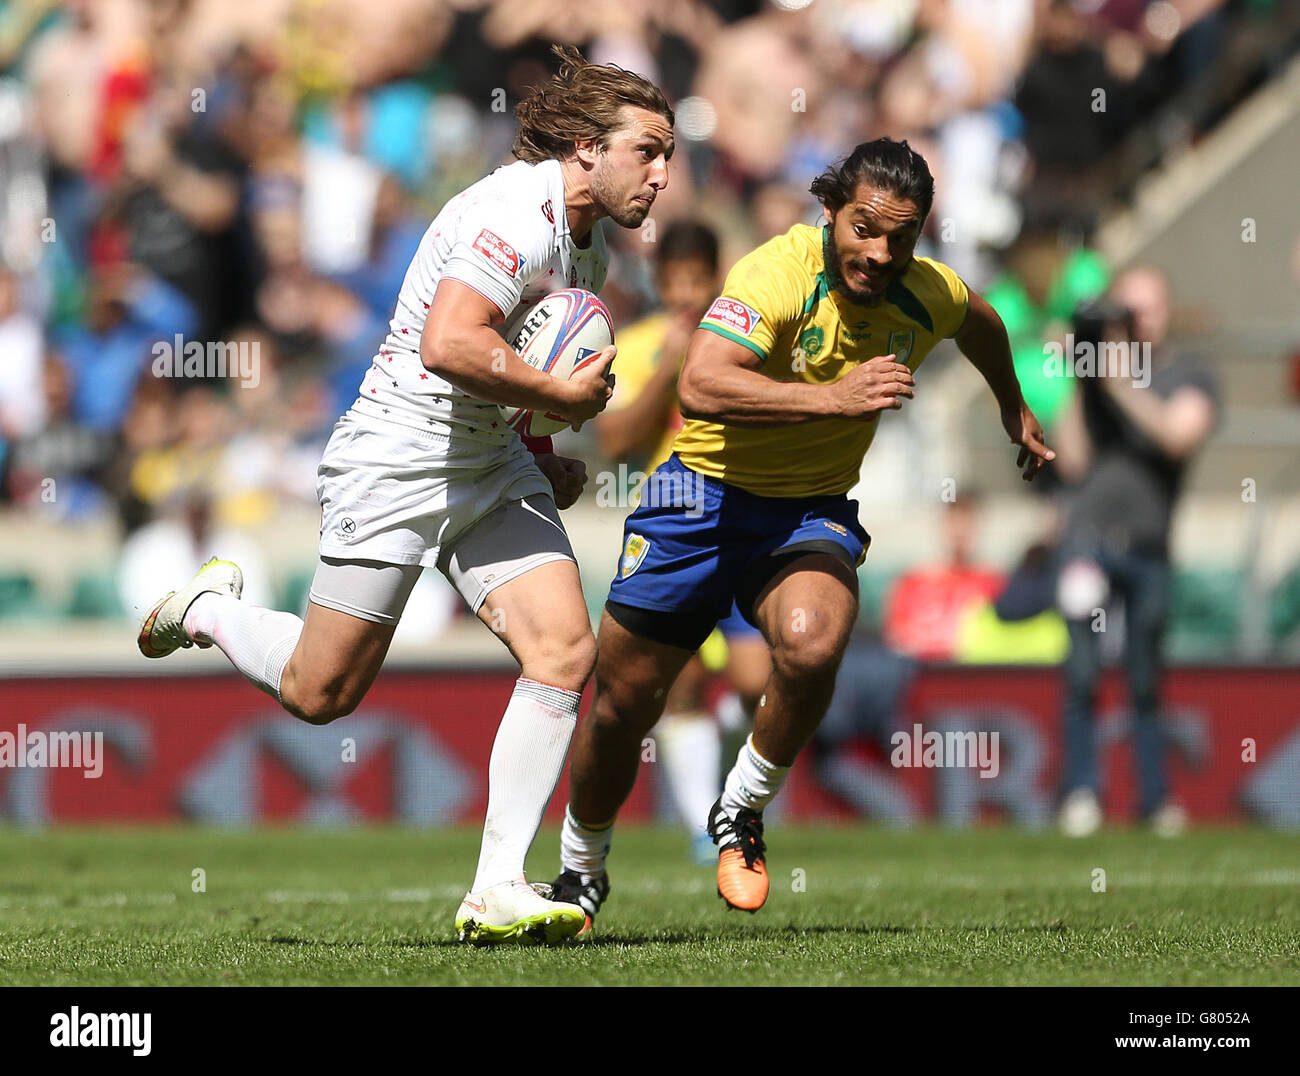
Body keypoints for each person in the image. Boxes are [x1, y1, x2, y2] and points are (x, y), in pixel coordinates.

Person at [137, 46, 675, 945]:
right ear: (585, 147)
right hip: (398, 456)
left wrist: (541, 454)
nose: (661, 175)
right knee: (321, 691)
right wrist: (561, 399)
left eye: (668, 156)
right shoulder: (514, 211)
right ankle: (209, 611)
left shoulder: (588, 250)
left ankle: (497, 886)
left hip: (489, 463)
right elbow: (449, 344)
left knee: (564, 651)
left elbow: (510, 370)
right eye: (646, 151)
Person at [549, 138, 1053, 923]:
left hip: (806, 508)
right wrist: (835, 399)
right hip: (697, 501)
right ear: (831, 213)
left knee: (816, 642)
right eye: (864, 229)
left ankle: (740, 809)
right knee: (622, 705)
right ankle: (581, 866)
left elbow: (980, 321)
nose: (880, 252)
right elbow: (702, 381)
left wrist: (1011, 404)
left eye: (901, 237)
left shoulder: (928, 291)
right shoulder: (775, 274)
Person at [595, 220, 770, 862]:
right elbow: (615, 442)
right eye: (677, 282)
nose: (688, 295)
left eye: (700, 280)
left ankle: (728, 767)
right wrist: (673, 368)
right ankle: (705, 823)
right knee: (684, 680)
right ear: (660, 282)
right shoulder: (640, 345)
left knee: (758, 685)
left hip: (741, 522)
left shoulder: (741, 342)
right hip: (672, 525)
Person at [1052, 268, 1219, 838]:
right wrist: (1083, 377)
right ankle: (1080, 793)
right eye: (1130, 309)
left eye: (1148, 309)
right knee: (1080, 674)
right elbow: (1069, 461)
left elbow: (1179, 435)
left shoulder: (1186, 373)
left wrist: (1122, 382)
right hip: (1089, 541)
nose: (1138, 320)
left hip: (1149, 547)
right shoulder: (1095, 385)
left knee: (1146, 680)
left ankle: (1155, 799)